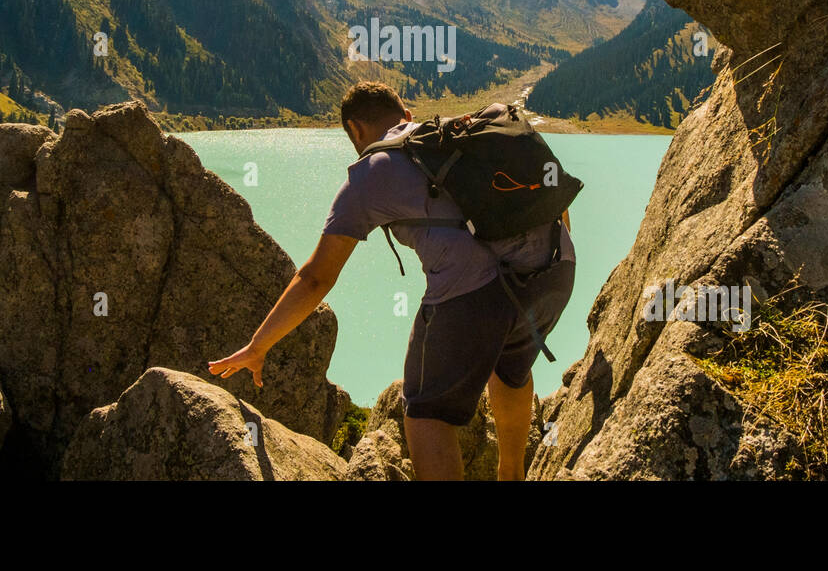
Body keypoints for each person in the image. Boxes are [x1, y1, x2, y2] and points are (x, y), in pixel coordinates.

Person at [208, 81, 575, 480]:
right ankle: (512, 475)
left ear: (355, 129)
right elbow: (551, 198)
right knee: (509, 369)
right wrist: (540, 261)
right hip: (556, 267)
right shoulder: (463, 130)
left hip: (478, 293)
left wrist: (258, 345)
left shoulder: (369, 173)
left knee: (426, 414)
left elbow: (316, 278)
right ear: (407, 116)